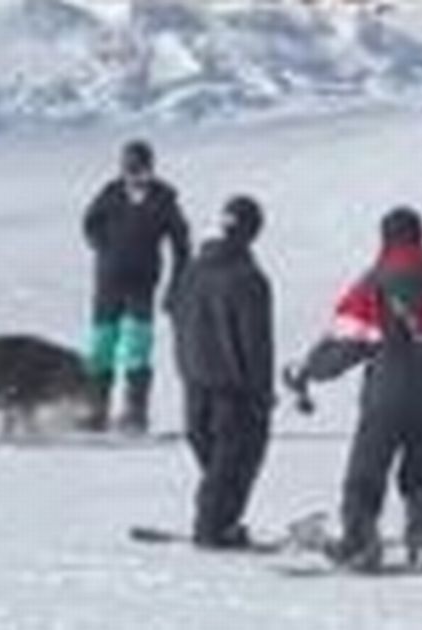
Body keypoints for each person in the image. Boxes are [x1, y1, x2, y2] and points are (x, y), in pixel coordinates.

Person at [289, 207, 422, 571]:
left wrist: (309, 370)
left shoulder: (375, 282)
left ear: (385, 239)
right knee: (420, 471)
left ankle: (360, 542)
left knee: (366, 472)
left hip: (388, 392)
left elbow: (348, 342)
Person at [171, 196, 273, 549]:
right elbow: (256, 343)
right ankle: (213, 526)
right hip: (232, 386)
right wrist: (262, 392)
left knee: (216, 461)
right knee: (236, 459)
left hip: (193, 380)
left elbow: (175, 316)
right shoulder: (247, 278)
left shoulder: (192, 271)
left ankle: (216, 519)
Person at [83, 140, 191, 434]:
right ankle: (95, 411)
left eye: (141, 170)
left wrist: (176, 286)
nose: (135, 176)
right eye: (130, 169)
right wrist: (102, 245)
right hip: (108, 281)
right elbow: (90, 222)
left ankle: (135, 411)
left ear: (150, 169)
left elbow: (182, 245)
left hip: (142, 283)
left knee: (136, 346)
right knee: (100, 346)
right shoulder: (111, 193)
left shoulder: (163, 199)